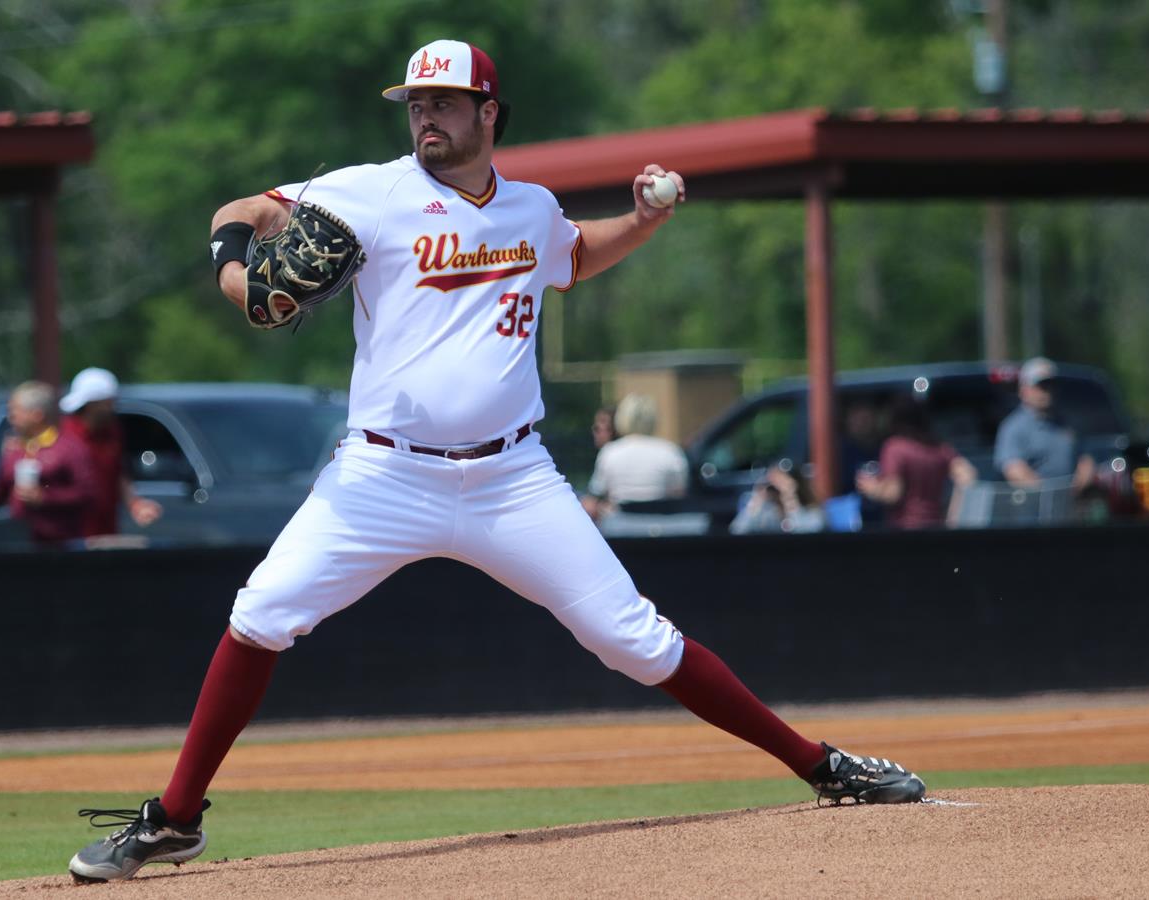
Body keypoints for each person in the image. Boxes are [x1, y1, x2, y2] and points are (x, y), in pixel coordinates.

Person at [68, 39, 925, 884]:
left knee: (632, 639)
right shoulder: (366, 192)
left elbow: (577, 255)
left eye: (441, 101)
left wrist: (647, 220)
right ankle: (176, 820)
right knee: (261, 615)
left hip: (513, 478)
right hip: (384, 474)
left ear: (488, 111)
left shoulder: (530, 209)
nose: (424, 116)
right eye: (415, 103)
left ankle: (820, 765)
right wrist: (231, 263)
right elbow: (244, 210)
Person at [0, 381, 103, 548]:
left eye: (16, 411)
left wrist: (45, 497)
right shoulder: (15, 451)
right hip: (19, 544)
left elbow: (89, 494)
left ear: (36, 415)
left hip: (62, 545)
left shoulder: (69, 448)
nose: (11, 417)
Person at [58, 367, 162, 539]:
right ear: (94, 404)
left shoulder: (113, 432)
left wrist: (134, 503)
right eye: (109, 402)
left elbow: (118, 473)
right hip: (72, 533)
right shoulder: (65, 434)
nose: (112, 406)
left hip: (106, 530)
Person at [857, 395, 977, 529]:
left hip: (906, 529)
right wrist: (953, 514)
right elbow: (968, 476)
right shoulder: (939, 448)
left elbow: (893, 493)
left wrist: (872, 488)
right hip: (936, 526)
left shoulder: (895, 447)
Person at [994, 357, 1094, 490]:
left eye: (1050, 385)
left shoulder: (1066, 424)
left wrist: (1078, 485)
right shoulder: (1013, 427)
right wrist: (1047, 493)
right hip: (1031, 505)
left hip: (1070, 503)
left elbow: (1085, 459)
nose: (1046, 391)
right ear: (1023, 390)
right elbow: (1013, 469)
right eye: (1040, 385)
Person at [583, 393, 687, 520]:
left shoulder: (610, 452)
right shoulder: (670, 451)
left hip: (620, 526)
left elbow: (595, 495)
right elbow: (679, 494)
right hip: (660, 526)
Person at [729, 464, 825, 534]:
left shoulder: (813, 512)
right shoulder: (767, 513)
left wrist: (790, 499)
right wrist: (756, 502)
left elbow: (808, 532)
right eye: (772, 485)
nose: (776, 490)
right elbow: (737, 531)